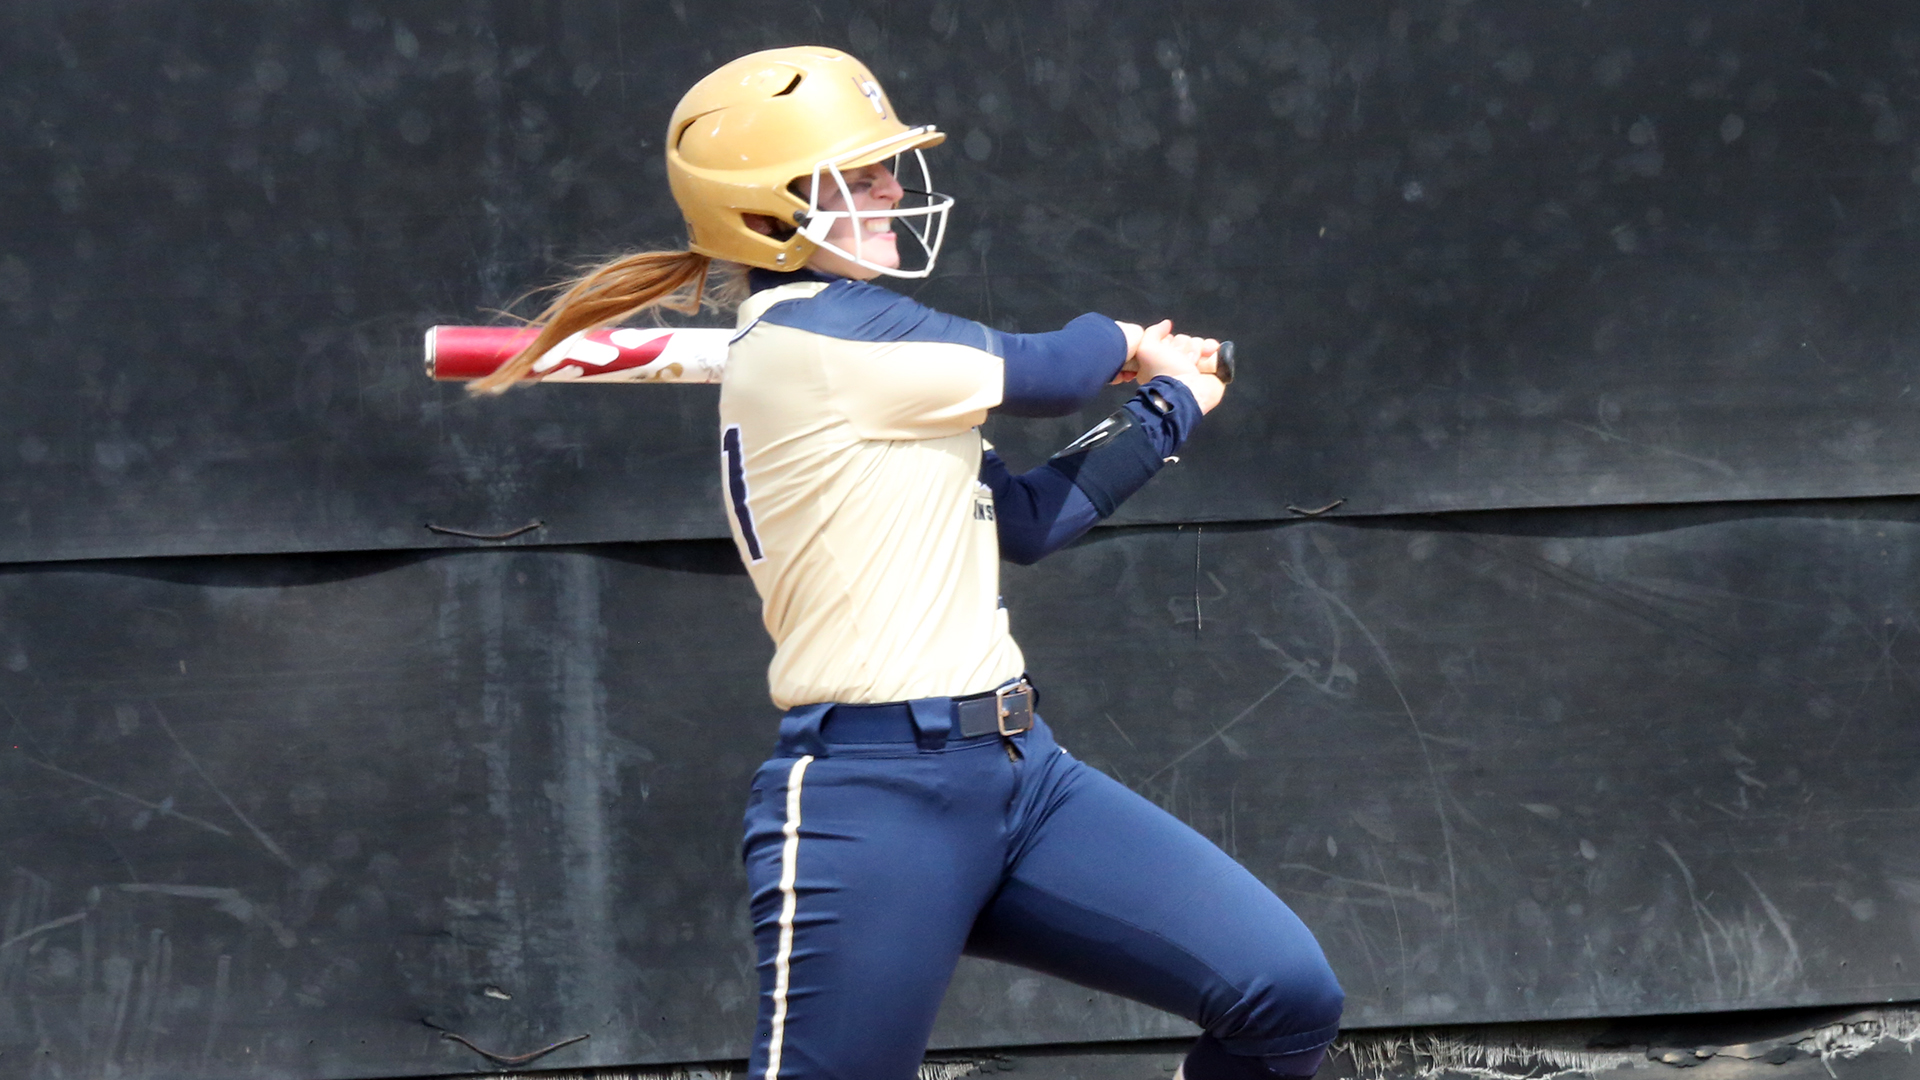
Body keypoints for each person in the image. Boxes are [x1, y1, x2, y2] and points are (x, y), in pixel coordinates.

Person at [475, 46, 1342, 1080]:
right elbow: (1053, 370)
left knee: (1284, 995)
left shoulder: (880, 362)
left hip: (1023, 777)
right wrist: (1126, 340)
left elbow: (1029, 520)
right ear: (769, 211)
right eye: (860, 173)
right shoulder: (834, 338)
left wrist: (1168, 407)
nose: (892, 188)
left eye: (884, 167)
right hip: (873, 799)